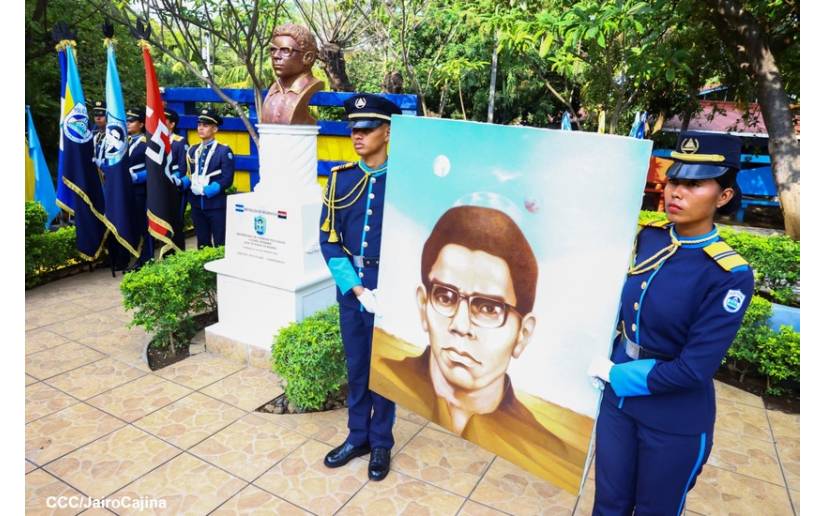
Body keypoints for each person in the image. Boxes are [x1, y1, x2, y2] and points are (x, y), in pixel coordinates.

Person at [587, 131, 755, 515]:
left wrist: (617, 375)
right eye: (674, 180)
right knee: (608, 505)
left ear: (724, 196)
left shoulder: (728, 274)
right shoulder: (650, 239)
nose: (676, 192)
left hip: (673, 417)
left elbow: (694, 369)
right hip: (618, 405)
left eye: (694, 185)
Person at [370, 205, 593, 489]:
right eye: (445, 297)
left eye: (488, 308)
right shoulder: (386, 375)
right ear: (424, 305)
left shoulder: (549, 453)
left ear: (523, 334)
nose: (460, 325)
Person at [319, 93, 401, 482]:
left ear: (387, 132)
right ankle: (357, 436)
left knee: (384, 370)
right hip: (353, 292)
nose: (357, 135)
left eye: (367, 128)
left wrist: (393, 287)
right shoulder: (341, 179)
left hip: (392, 292)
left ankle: (381, 441)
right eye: (354, 128)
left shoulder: (405, 181)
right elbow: (329, 240)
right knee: (356, 368)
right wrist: (355, 288)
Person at [183, 108, 235, 248]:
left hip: (215, 204)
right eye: (199, 125)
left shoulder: (223, 151)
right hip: (196, 204)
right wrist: (181, 183)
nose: (201, 128)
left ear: (215, 129)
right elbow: (190, 173)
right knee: (202, 243)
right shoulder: (193, 150)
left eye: (205, 125)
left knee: (220, 242)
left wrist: (207, 190)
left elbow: (227, 178)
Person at [260, 23, 324, 125]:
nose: (276, 56)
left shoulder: (309, 87)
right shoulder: (273, 90)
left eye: (285, 50)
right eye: (273, 50)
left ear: (308, 57)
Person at [125, 107, 152, 269]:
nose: (128, 123)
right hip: (125, 190)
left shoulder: (146, 143)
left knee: (142, 226)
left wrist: (137, 177)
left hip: (140, 191)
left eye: (132, 121)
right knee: (129, 224)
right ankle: (130, 257)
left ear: (141, 124)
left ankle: (145, 258)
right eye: (127, 120)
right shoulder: (124, 141)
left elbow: (153, 169)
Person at [165, 108, 188, 250]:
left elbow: (183, 168)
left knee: (176, 222)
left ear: (172, 124)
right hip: (159, 187)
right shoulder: (154, 141)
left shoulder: (179, 142)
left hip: (174, 188)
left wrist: (173, 178)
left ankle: (178, 253)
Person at [91, 100, 107, 172]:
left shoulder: (114, 137)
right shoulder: (93, 135)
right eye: (96, 115)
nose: (98, 118)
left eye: (101, 115)